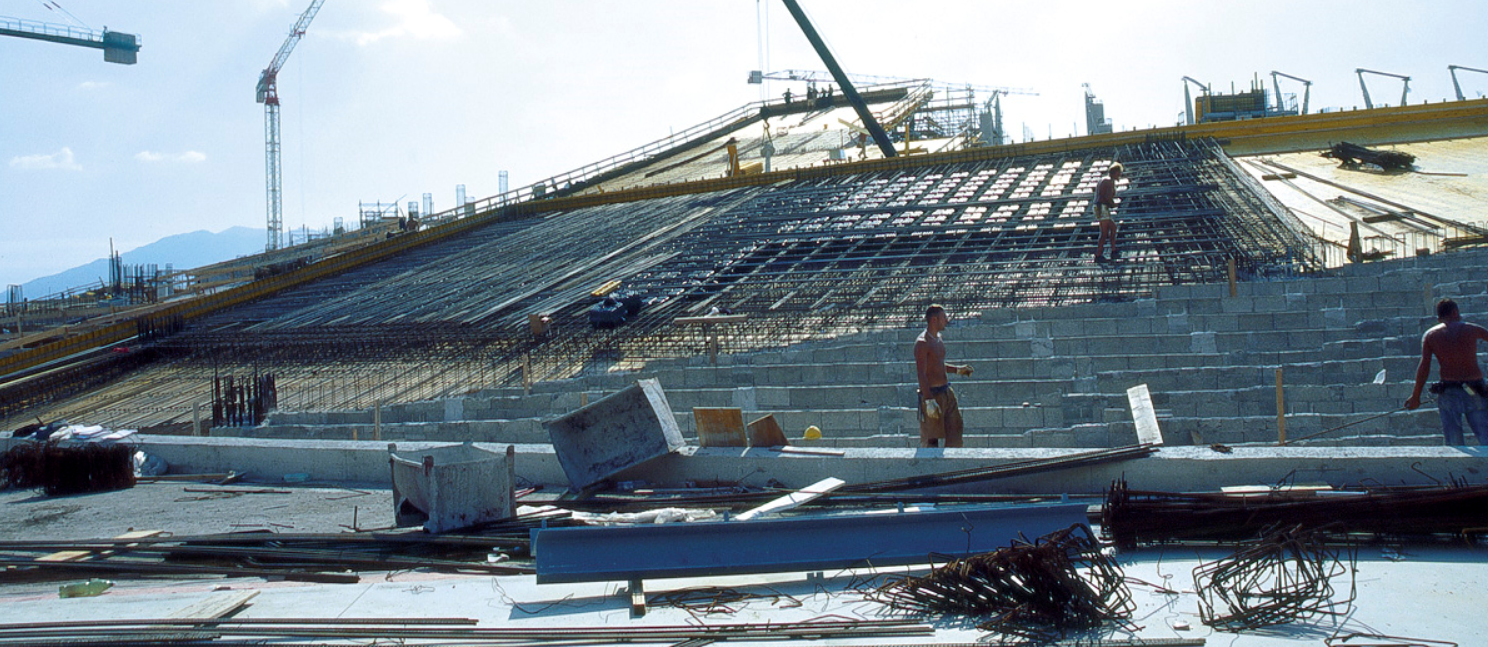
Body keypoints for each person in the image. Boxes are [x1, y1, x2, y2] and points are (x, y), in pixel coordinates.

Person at [1406, 298, 1488, 445]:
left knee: (1454, 443)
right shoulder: (1473, 329)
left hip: (1449, 391)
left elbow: (1424, 367)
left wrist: (1416, 396)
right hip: (1475, 390)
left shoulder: (1431, 335)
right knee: (1485, 437)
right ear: (1455, 312)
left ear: (1439, 318)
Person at [914, 304, 973, 448]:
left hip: (946, 392)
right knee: (932, 439)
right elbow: (921, 373)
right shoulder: (922, 343)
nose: (946, 320)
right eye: (944, 317)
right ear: (934, 320)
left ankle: (954, 459)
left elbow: (937, 364)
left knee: (955, 430)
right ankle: (931, 462)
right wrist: (929, 400)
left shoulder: (939, 339)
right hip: (932, 395)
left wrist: (957, 370)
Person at [1094, 162, 1123, 262]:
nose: (1119, 175)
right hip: (1101, 207)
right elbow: (1107, 197)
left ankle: (1113, 250)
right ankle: (1098, 255)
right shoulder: (1109, 181)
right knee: (1104, 232)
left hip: (1101, 207)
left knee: (1113, 227)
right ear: (1115, 172)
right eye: (1119, 173)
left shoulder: (1105, 180)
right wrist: (1113, 204)